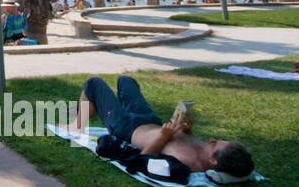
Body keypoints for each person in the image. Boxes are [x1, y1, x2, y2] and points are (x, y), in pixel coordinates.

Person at [68, 76, 254, 179]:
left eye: (215, 145)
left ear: (213, 162)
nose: (212, 140)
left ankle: (78, 124)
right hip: (148, 119)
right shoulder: (203, 149)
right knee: (126, 80)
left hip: (126, 129)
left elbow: (138, 162)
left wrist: (162, 138)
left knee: (93, 84)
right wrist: (186, 128)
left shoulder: (184, 163)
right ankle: (87, 109)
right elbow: (181, 140)